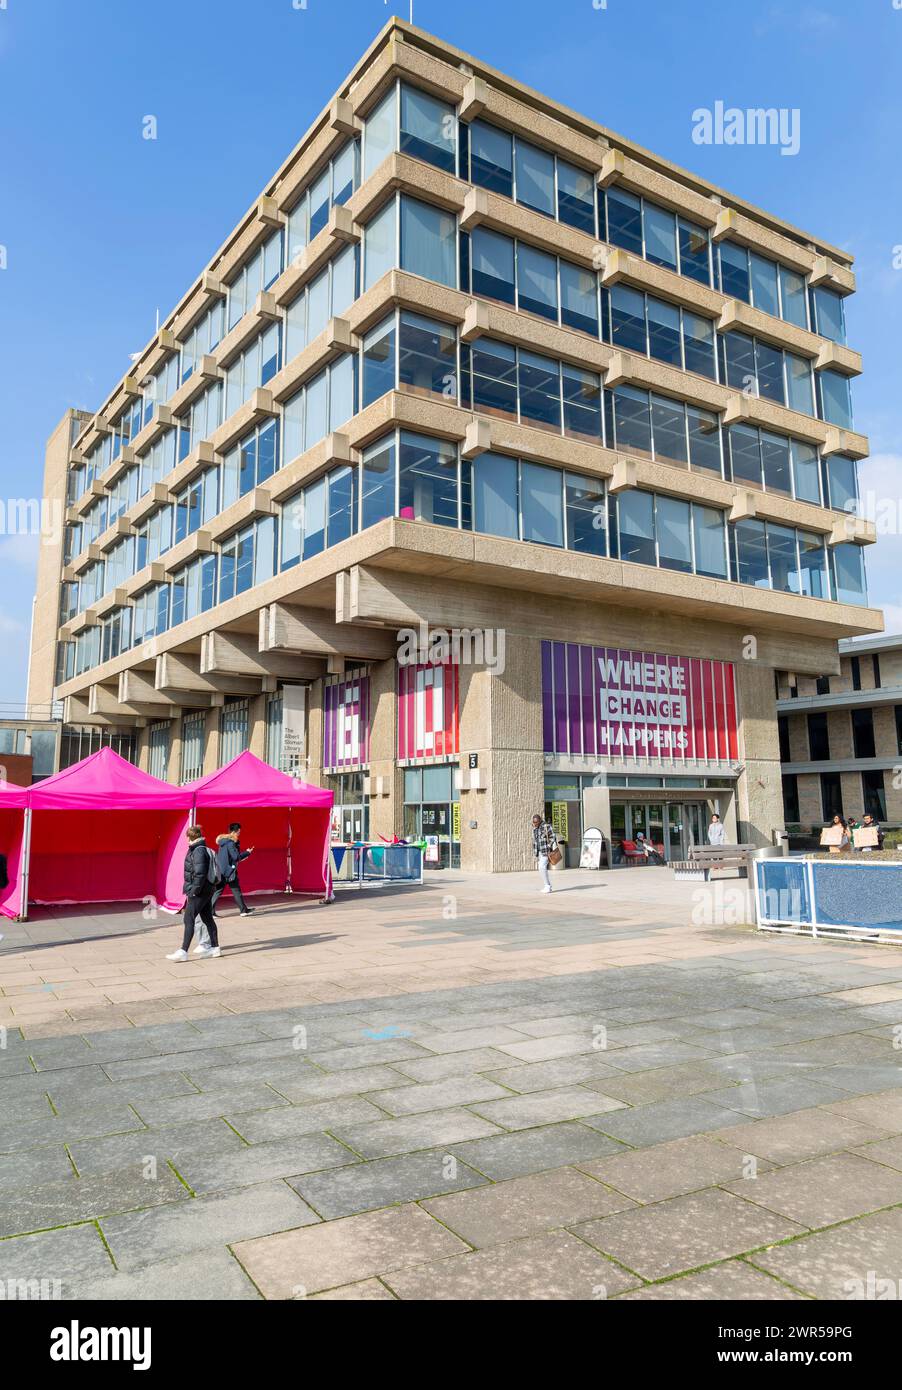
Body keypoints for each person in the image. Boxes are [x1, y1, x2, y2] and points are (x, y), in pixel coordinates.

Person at [167, 825, 220, 962]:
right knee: (208, 918)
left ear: (189, 837)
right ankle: (215, 948)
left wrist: (194, 891)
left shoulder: (198, 851)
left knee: (188, 918)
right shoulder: (200, 849)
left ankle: (183, 951)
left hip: (200, 890)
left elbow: (200, 873)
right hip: (207, 889)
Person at [211, 823, 255, 917]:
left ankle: (243, 910)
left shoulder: (223, 842)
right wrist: (247, 852)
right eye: (239, 831)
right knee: (234, 891)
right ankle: (243, 910)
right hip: (229, 871)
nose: (240, 833)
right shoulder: (230, 843)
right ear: (236, 831)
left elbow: (229, 857)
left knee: (222, 891)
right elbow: (235, 857)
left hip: (222, 870)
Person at [531, 813, 558, 894]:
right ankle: (547, 885)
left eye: (536, 822)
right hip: (539, 851)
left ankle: (548, 886)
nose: (534, 824)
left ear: (540, 821)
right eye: (533, 822)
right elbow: (535, 840)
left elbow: (553, 836)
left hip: (546, 851)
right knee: (541, 868)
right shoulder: (534, 828)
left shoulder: (546, 826)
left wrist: (548, 846)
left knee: (542, 867)